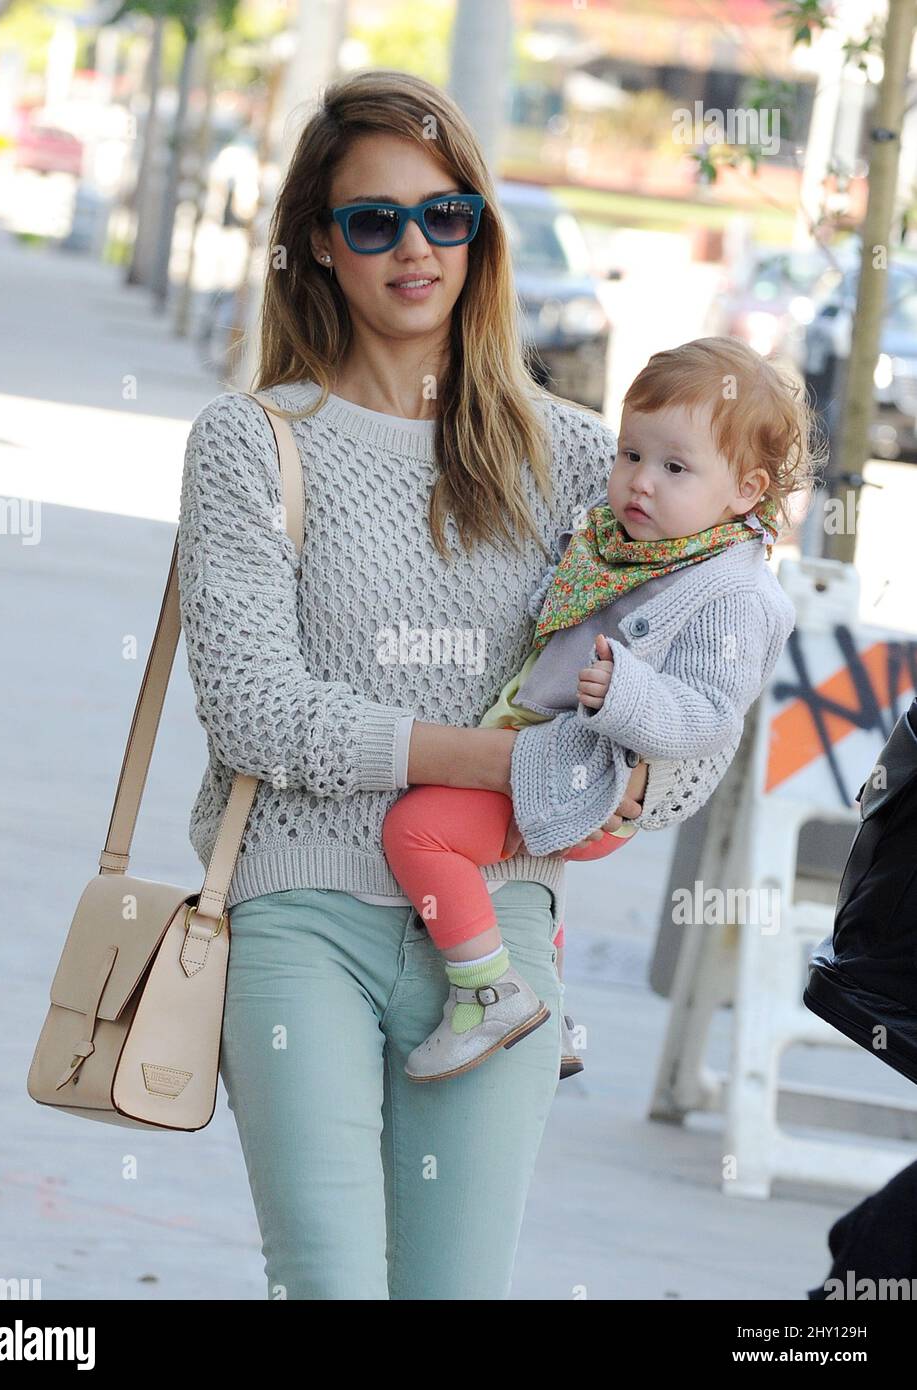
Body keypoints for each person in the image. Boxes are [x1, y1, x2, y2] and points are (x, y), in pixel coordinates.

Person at [177, 68, 741, 1300]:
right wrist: (505, 762)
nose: (414, 247)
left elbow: (702, 714)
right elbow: (257, 712)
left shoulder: (586, 461)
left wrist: (619, 779)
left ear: (480, 232)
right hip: (298, 916)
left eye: (447, 214)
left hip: (501, 935)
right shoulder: (251, 442)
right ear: (319, 248)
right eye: (371, 220)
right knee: (328, 1282)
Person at [383, 336, 821, 1081]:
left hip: (586, 771)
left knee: (418, 831)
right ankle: (550, 1013)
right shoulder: (636, 545)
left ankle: (486, 991)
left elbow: (713, 713)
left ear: (746, 490)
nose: (639, 484)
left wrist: (625, 696)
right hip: (559, 757)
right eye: (630, 455)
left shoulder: (736, 593)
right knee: (516, 873)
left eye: (674, 468)